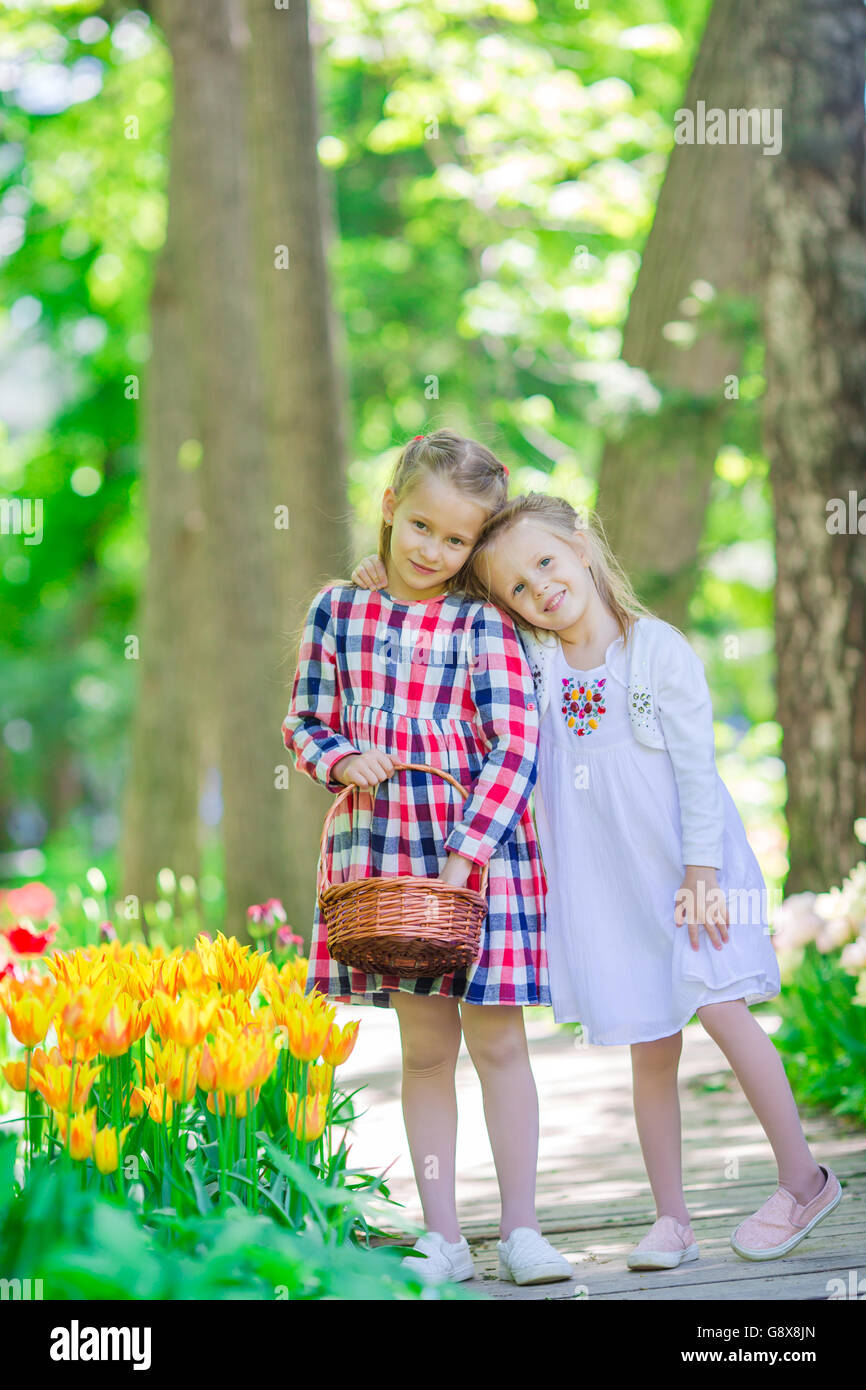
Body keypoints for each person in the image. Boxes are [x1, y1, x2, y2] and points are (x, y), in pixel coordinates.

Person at [352, 488, 842, 1269]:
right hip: (614, 889)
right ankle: (672, 1218)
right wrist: (388, 585)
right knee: (651, 1045)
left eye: (545, 561)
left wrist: (703, 872)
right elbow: (448, 628)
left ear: (581, 544)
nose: (539, 586)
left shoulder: (655, 652)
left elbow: (696, 769)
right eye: (518, 585)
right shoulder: (538, 664)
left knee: (722, 1011)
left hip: (688, 874)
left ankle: (804, 1178)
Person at [282, 433, 573, 1287]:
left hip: (479, 866)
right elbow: (305, 720)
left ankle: (522, 1227)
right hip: (385, 863)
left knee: (501, 1047)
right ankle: (441, 1233)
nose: (432, 552)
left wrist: (468, 854)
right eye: (420, 527)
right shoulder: (338, 610)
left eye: (455, 541)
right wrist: (340, 759)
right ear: (388, 506)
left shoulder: (484, 621)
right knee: (423, 1052)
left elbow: (515, 743)